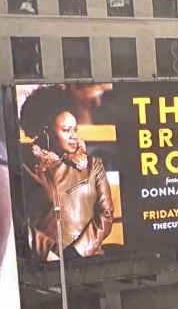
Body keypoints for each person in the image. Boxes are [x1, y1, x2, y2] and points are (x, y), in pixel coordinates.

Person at [17, 84, 117, 261]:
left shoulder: (92, 166)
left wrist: (77, 252)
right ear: (45, 131)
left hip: (90, 260)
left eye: (75, 129)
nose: (73, 136)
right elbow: (18, 219)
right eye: (66, 130)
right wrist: (47, 252)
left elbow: (106, 214)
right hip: (47, 264)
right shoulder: (26, 170)